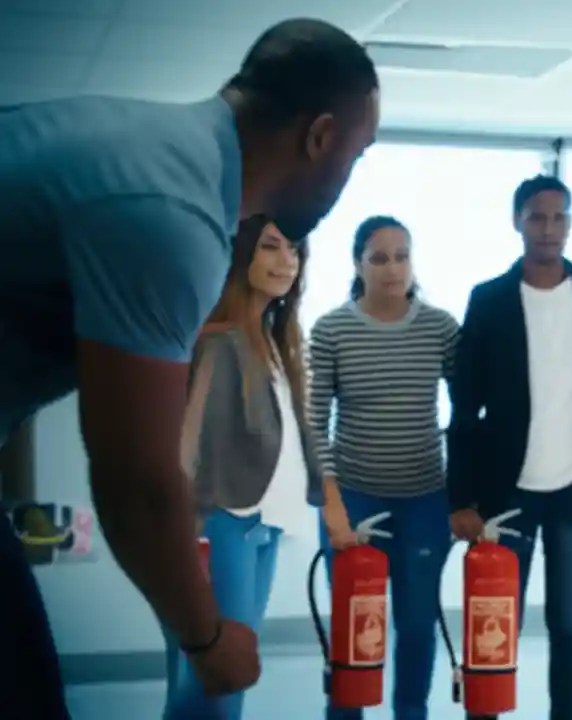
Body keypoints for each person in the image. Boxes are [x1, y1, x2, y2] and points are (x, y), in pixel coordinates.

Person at [0, 18, 378, 719]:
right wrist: (207, 639)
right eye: (358, 153)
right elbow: (135, 479)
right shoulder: (174, 216)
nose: (349, 176)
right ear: (320, 136)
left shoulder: (147, 149)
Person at [447, 175, 572, 720]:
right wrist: (461, 498)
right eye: (537, 217)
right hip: (506, 493)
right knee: (495, 619)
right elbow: (464, 409)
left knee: (569, 624)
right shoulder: (489, 300)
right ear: (517, 221)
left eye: (560, 217)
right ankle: (483, 713)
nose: (549, 229)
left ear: (571, 223)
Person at [164, 216, 323, 719]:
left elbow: (299, 436)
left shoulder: (275, 340)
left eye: (294, 251)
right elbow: (188, 445)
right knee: (218, 686)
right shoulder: (219, 340)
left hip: (263, 527)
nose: (286, 262)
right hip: (220, 525)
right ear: (243, 257)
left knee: (212, 683)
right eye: (271, 248)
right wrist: (188, 540)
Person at [308, 216, 458, 720]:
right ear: (358, 264)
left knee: (416, 624)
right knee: (354, 626)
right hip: (354, 499)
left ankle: (410, 712)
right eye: (379, 257)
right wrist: (332, 508)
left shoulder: (440, 327)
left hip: (424, 500)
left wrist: (466, 496)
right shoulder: (331, 329)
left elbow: (474, 410)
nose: (393, 267)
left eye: (402, 255)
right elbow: (314, 423)